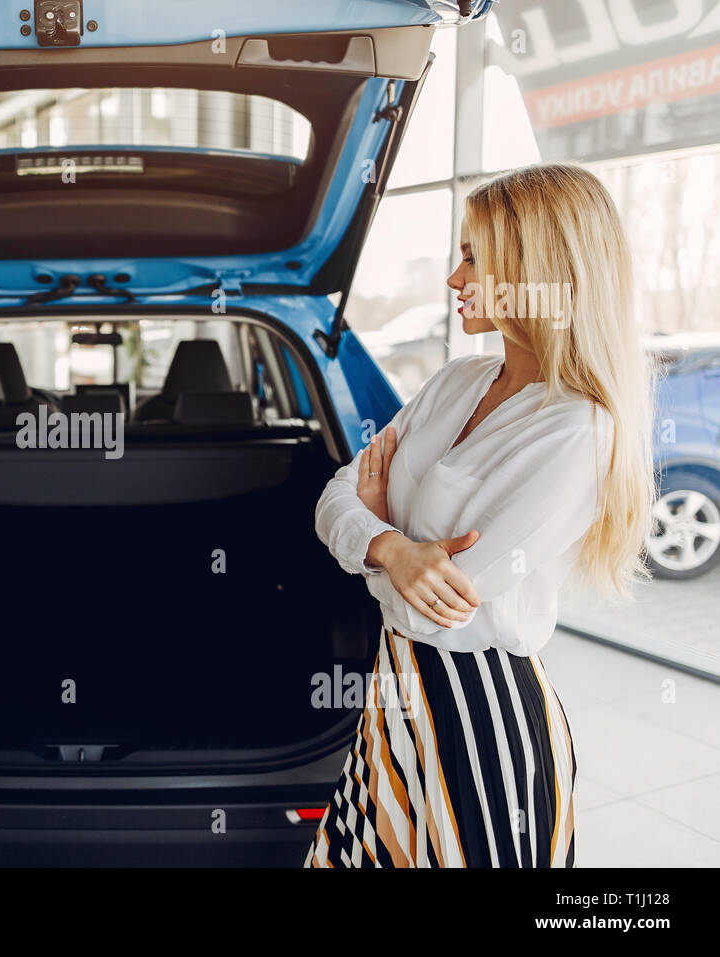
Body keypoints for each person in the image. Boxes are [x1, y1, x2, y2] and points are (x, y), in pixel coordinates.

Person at [306, 163, 657, 867]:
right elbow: (333, 498)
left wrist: (377, 539)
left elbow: (441, 609)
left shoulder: (578, 429)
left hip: (482, 720)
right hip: (396, 697)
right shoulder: (457, 379)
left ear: (539, 269)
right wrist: (390, 549)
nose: (453, 277)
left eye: (473, 255)